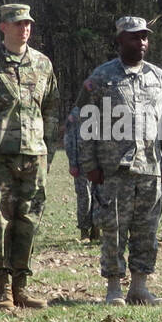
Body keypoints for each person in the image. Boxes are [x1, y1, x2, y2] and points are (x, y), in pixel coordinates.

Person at [75, 15, 162, 306]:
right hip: (113, 169)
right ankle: (113, 288)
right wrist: (90, 164)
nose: (141, 42)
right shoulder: (102, 78)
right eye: (134, 37)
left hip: (150, 168)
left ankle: (140, 287)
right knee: (113, 228)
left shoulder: (159, 78)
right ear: (120, 40)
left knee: (147, 229)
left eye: (144, 37)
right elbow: (85, 122)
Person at [0, 3, 59, 309]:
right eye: (18, 24)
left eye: (28, 23)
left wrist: (48, 151)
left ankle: (22, 285)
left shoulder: (43, 64)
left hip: (34, 155)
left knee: (28, 220)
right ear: (3, 26)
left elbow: (51, 110)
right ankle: (2, 287)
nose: (24, 28)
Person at [64, 104, 102, 243]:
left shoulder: (106, 108)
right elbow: (69, 139)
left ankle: (97, 229)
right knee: (84, 196)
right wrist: (73, 162)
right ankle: (84, 231)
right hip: (82, 162)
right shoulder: (76, 113)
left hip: (101, 162)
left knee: (101, 195)